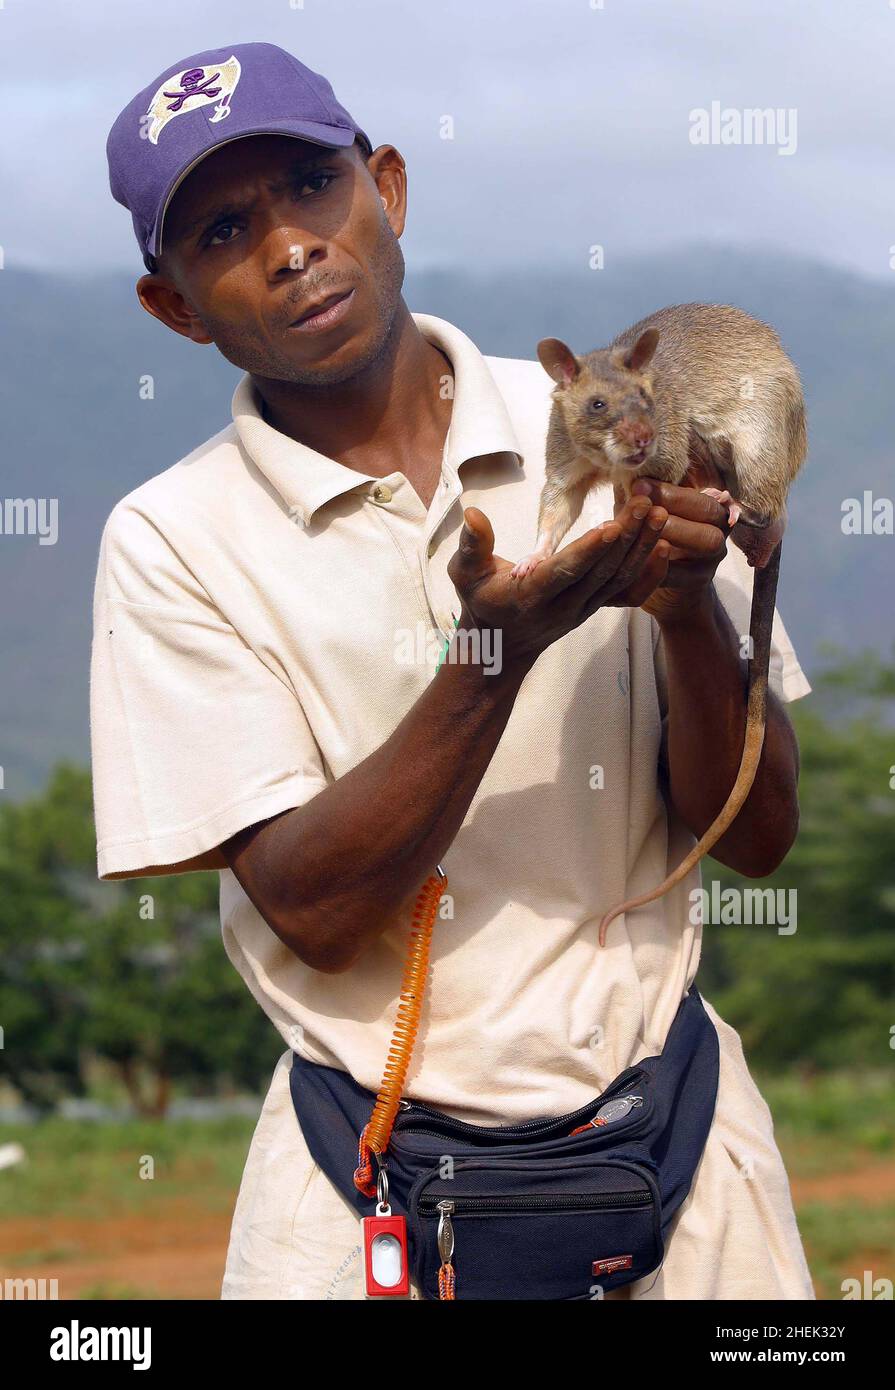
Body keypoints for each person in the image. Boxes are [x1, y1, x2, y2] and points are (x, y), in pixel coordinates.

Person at [92, 41, 814, 1300]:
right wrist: (498, 658)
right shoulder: (172, 541)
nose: (289, 247)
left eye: (314, 189)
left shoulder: (620, 425)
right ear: (175, 310)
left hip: (690, 1188)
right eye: (221, 230)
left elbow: (756, 835)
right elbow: (313, 916)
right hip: (367, 1207)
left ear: (387, 188)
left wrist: (689, 611)